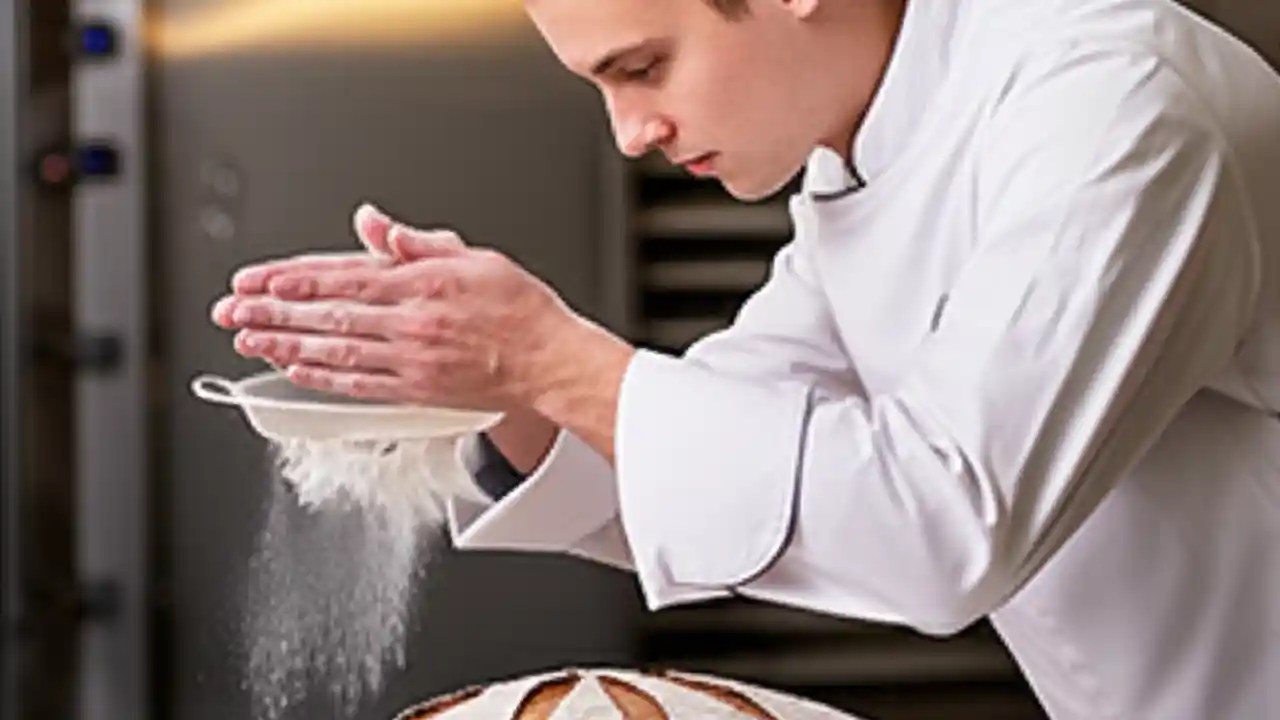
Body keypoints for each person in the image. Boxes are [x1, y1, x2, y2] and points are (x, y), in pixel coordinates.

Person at [210, 0, 1280, 717]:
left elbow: (944, 525)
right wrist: (499, 391)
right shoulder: (867, 151)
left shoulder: (1115, 106)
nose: (627, 131)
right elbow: (735, 461)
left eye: (642, 67)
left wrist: (551, 358)